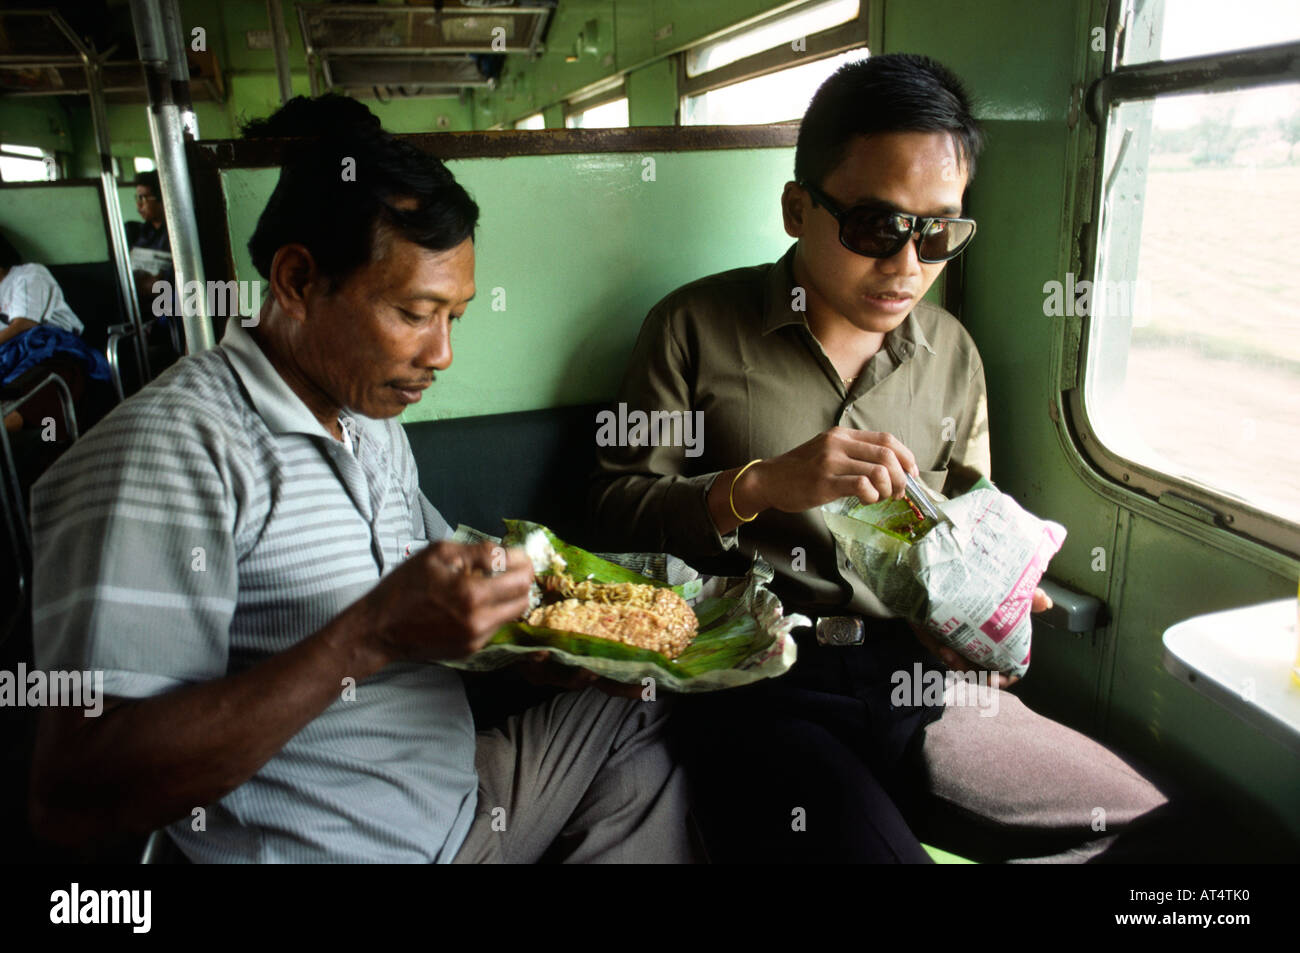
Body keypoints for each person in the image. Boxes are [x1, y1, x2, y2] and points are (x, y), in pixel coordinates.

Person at [27, 95, 694, 863]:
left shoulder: (367, 417)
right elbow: (71, 795)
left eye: (457, 317)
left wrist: (557, 630)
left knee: (650, 701)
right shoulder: (171, 453)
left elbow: (448, 589)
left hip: (467, 800)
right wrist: (365, 637)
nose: (442, 353)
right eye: (415, 312)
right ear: (298, 280)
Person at [589, 53, 1179, 863]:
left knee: (1159, 836)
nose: (908, 265)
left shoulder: (951, 355)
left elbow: (967, 533)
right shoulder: (692, 327)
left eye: (938, 231)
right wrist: (755, 486)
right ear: (799, 208)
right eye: (876, 226)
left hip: (915, 679)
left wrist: (986, 611)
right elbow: (612, 516)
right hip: (758, 675)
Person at [0, 234, 107, 433]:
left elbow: (24, 324)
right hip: (8, 357)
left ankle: (13, 423)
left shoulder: (29, 274)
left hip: (50, 350)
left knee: (43, 382)